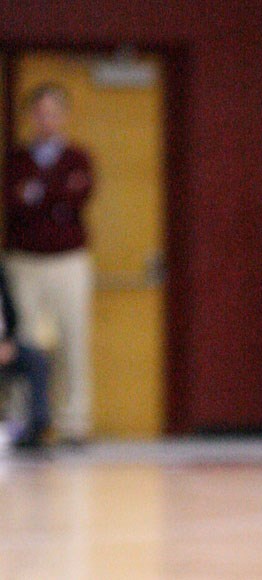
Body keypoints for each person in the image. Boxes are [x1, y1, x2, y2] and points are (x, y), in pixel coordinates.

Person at [2, 82, 93, 445]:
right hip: (25, 261)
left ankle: (75, 424)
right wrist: (53, 197)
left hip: (68, 261)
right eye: (40, 112)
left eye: (54, 112)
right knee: (23, 343)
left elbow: (78, 196)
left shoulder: (78, 158)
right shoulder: (16, 160)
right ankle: (26, 423)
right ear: (30, 117)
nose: (47, 119)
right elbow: (16, 200)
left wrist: (39, 193)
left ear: (65, 116)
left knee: (73, 341)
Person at [0, 263, 50, 450]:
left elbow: (11, 314)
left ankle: (36, 428)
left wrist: (7, 341)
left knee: (36, 360)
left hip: (3, 344)